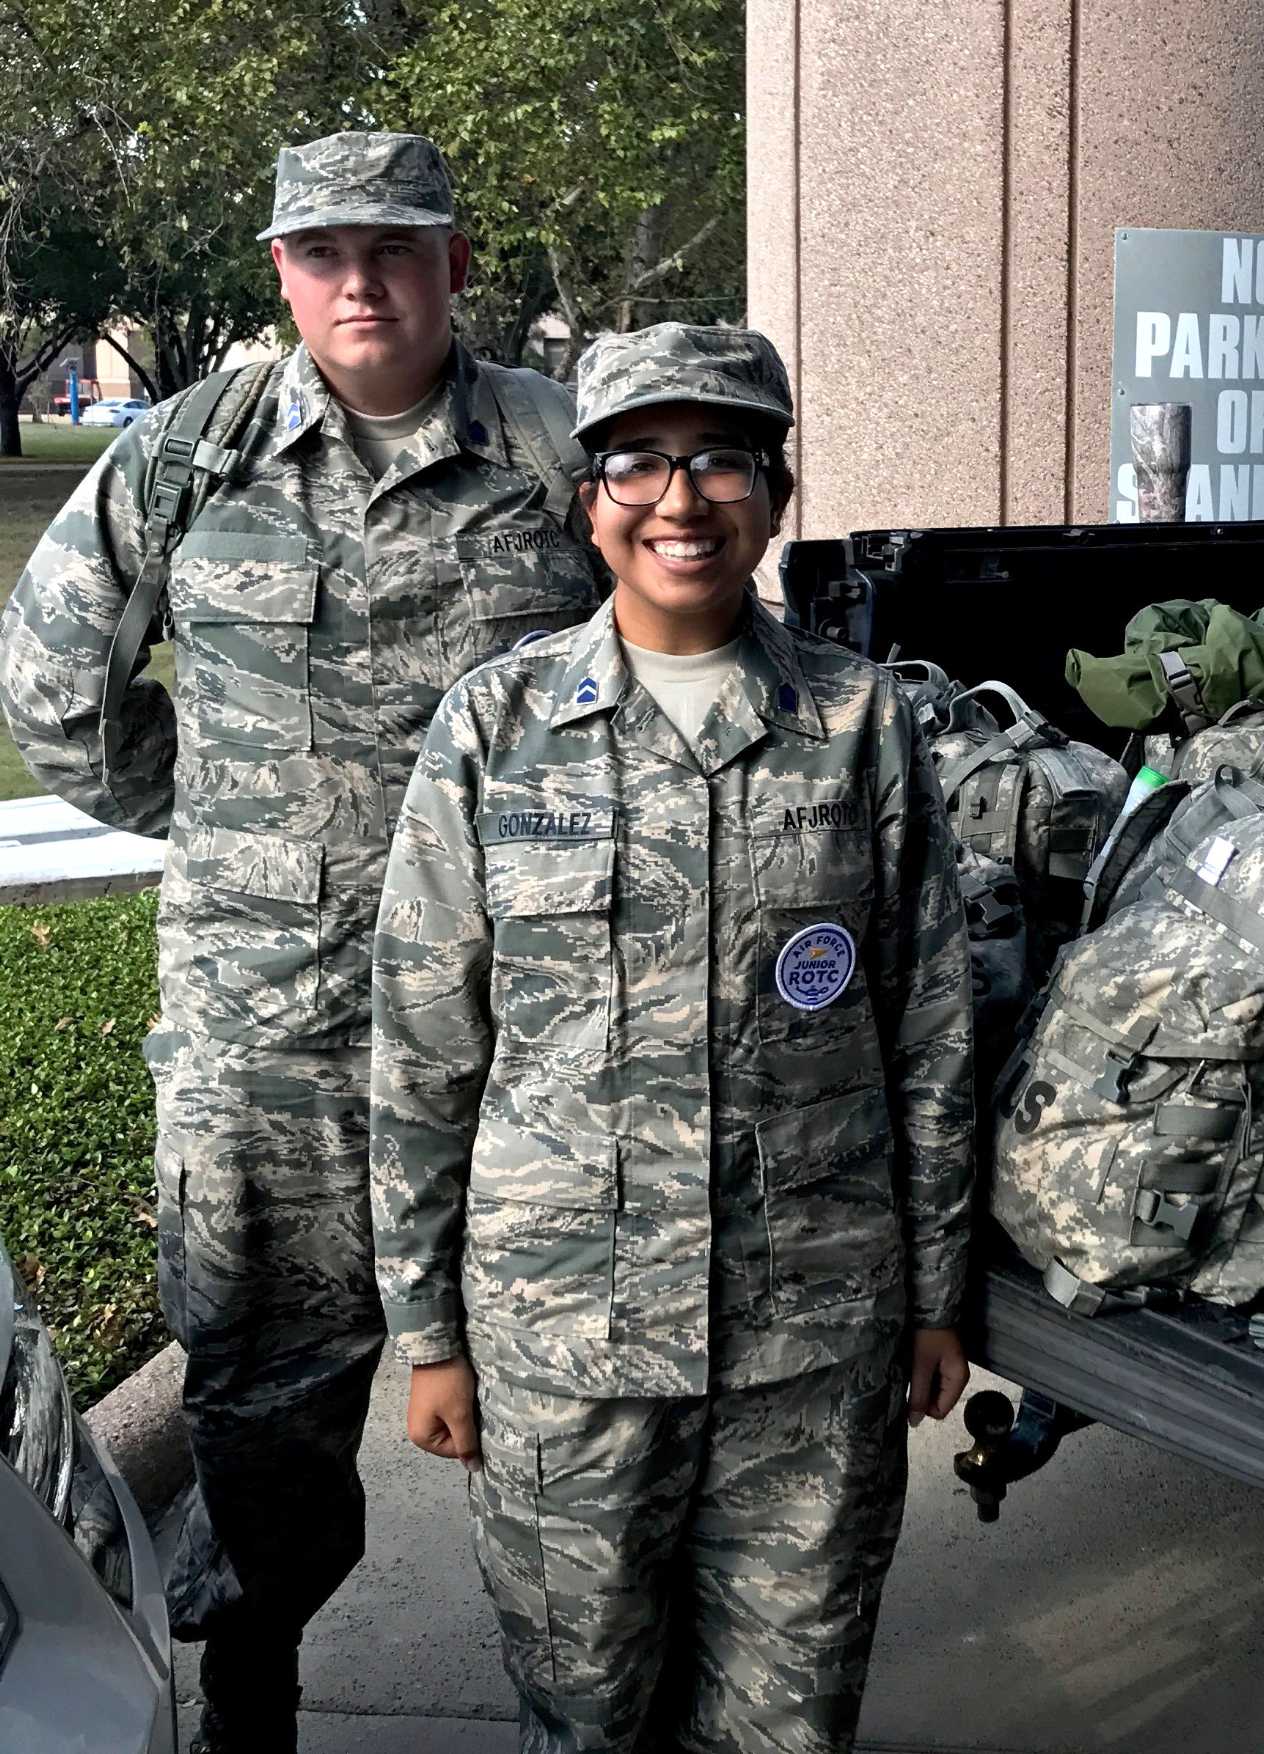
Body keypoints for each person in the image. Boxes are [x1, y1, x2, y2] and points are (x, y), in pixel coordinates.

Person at [0, 131, 605, 1751]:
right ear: (281, 273)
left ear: (454, 263)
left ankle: (593, 1692)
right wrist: (222, 824)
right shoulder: (189, 456)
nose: (362, 282)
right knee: (260, 1403)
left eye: (397, 247)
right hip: (264, 1037)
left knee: (569, 1382)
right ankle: (249, 1687)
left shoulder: (560, 450)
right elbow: (51, 685)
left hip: (530, 1028)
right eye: (325, 253)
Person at [369, 322, 975, 1753]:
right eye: (638, 463)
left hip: (809, 1352)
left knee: (790, 1725)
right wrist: (427, 1331)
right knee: (585, 1716)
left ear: (776, 493)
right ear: (592, 503)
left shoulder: (859, 723)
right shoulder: (496, 728)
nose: (680, 499)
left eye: (721, 460)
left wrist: (939, 1295)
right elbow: (424, 1043)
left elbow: (930, 1024)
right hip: (564, 1348)